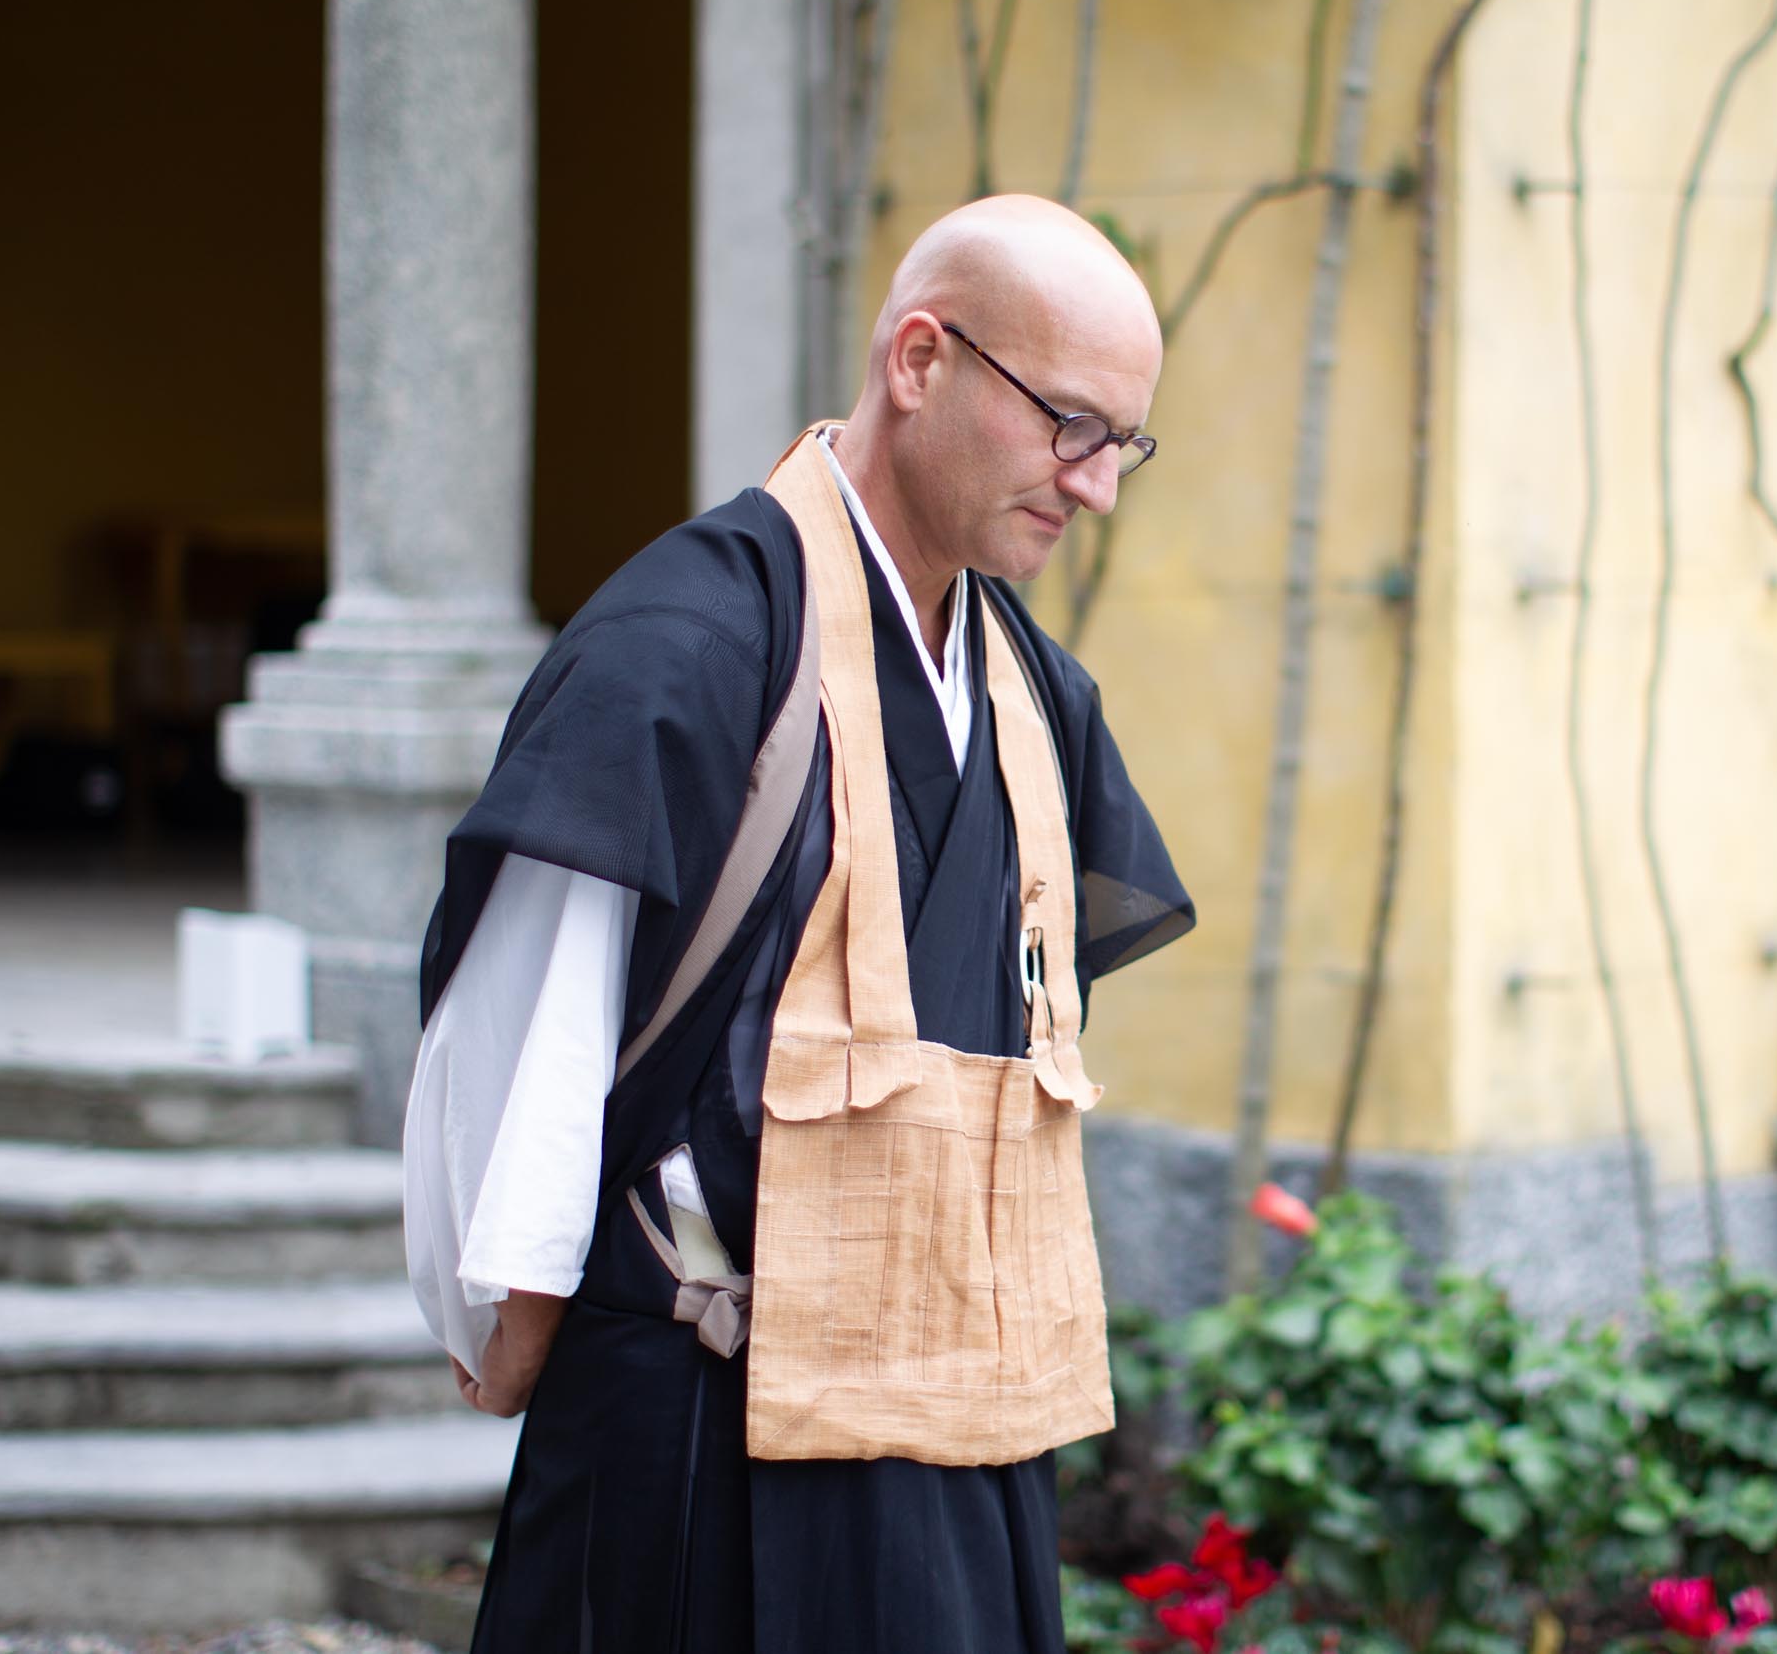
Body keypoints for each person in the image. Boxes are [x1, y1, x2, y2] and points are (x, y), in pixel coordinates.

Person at [402, 193, 1195, 1654]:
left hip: (963, 1420)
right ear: (919, 360)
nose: (1096, 489)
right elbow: (536, 1012)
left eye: (1122, 445)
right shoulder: (692, 646)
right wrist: (509, 1309)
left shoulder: (1032, 694)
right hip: (715, 1427)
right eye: (1068, 427)